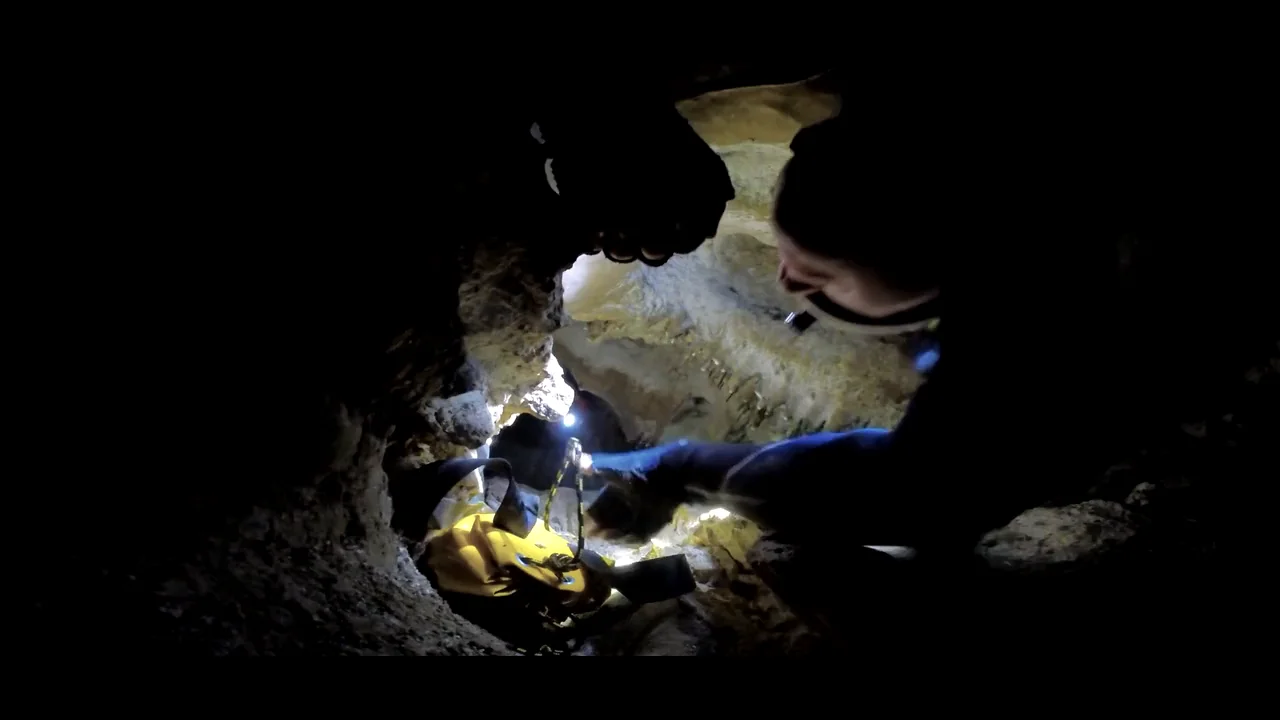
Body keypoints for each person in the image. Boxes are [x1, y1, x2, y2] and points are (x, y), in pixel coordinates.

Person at [581, 78, 1266, 633]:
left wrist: (677, 466)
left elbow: (911, 491)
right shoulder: (923, 108)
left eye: (817, 275)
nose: (786, 283)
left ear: (946, 257)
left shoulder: (1061, 312)